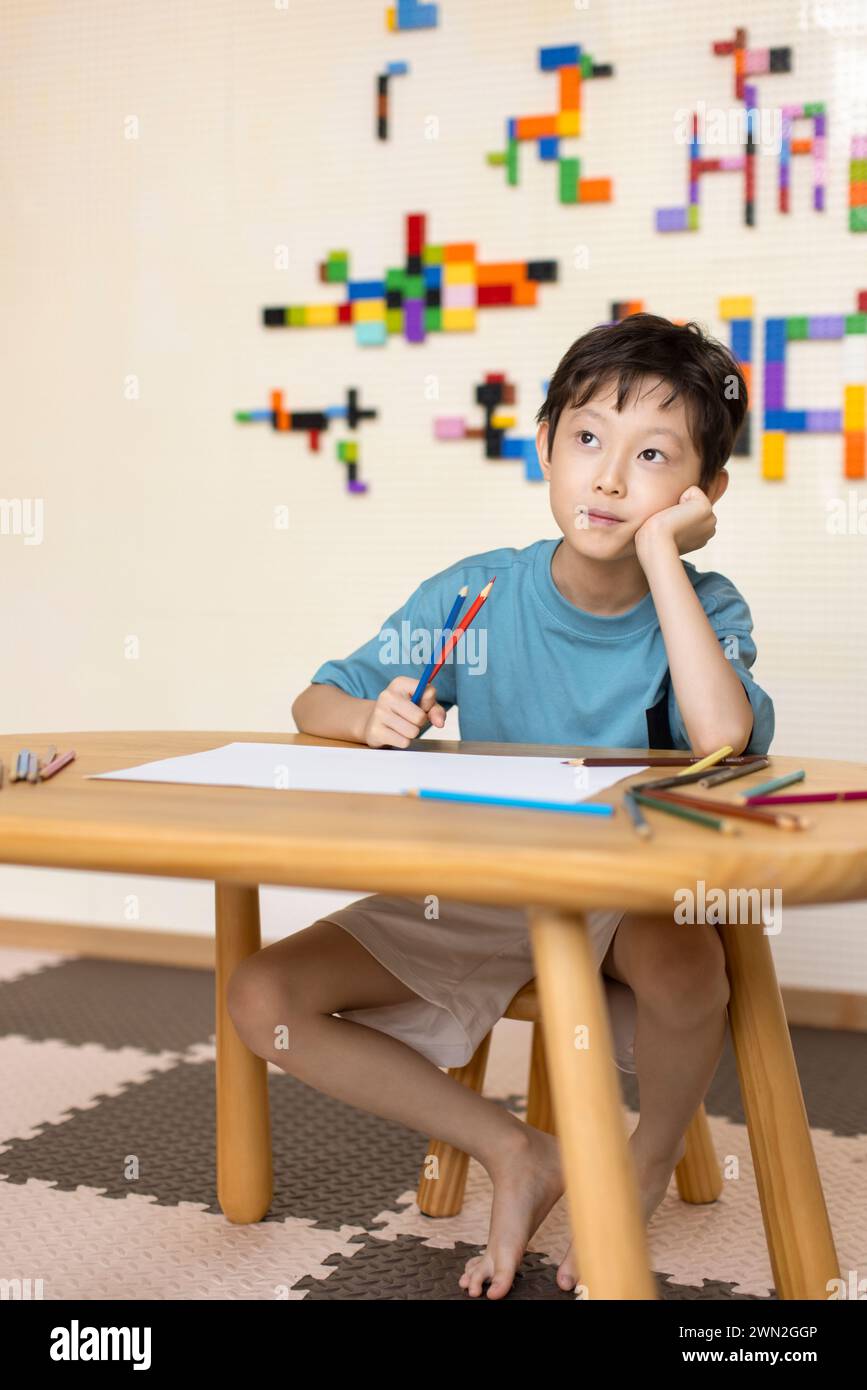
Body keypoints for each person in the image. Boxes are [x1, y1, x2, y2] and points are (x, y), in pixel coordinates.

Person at [227, 313, 775, 1299]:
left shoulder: (705, 604)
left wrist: (664, 562)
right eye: (587, 440)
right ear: (545, 448)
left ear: (703, 496)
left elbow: (723, 740)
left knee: (688, 954)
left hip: (614, 899)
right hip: (474, 891)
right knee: (261, 998)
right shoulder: (477, 593)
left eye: (651, 456)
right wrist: (366, 718)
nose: (609, 479)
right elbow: (314, 696)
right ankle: (514, 1149)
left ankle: (645, 1160)